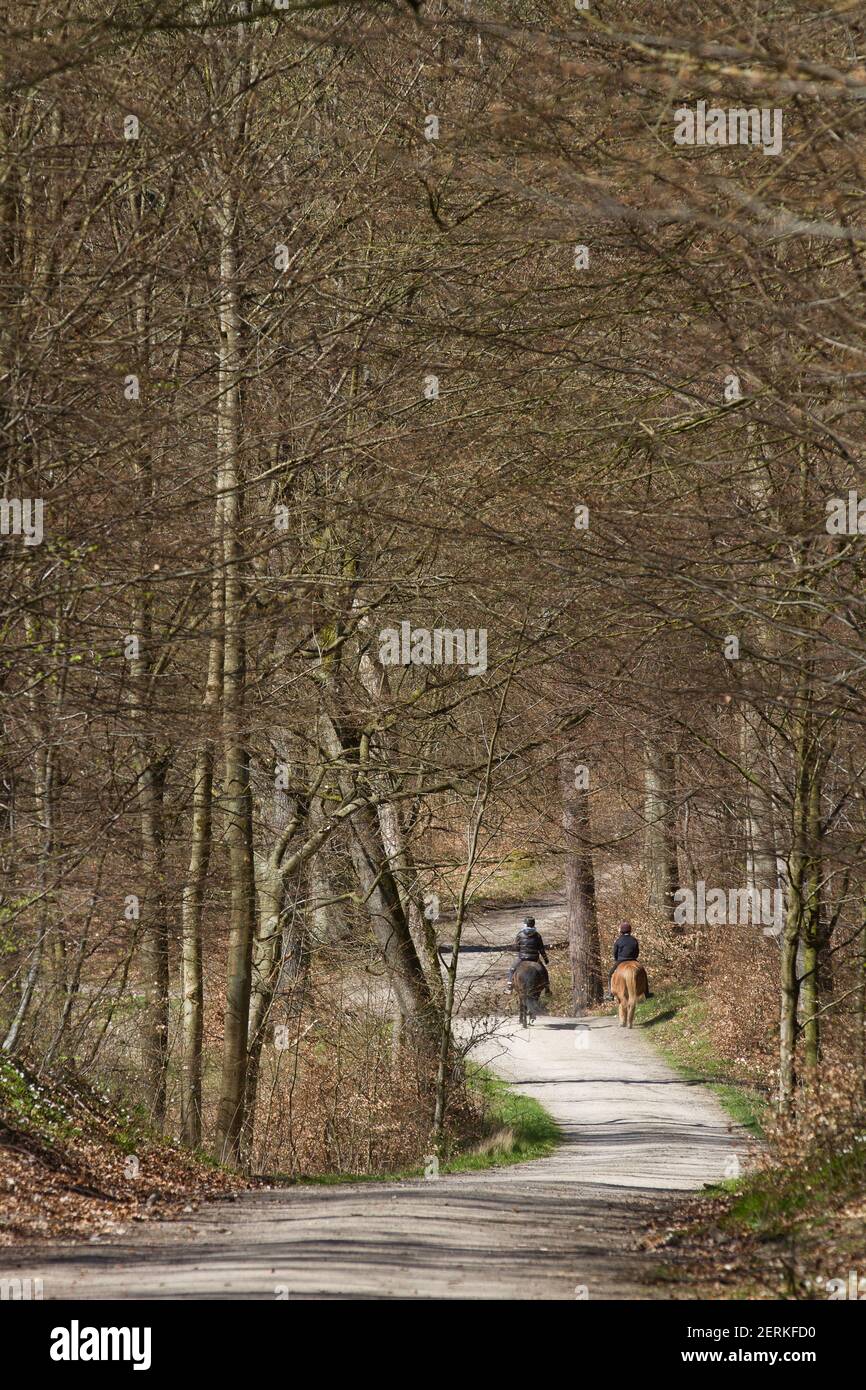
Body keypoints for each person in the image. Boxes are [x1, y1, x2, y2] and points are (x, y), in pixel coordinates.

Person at [604, 921, 653, 1000]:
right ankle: (647, 993)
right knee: (643, 972)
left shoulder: (618, 940)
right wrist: (633, 958)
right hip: (633, 960)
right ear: (630, 930)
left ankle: (610, 994)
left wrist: (617, 960)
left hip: (620, 961)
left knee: (610, 974)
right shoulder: (634, 940)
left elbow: (615, 953)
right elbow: (637, 952)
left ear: (621, 931)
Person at [507, 915, 551, 994]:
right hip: (534, 958)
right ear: (533, 924)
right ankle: (547, 988)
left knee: (512, 969)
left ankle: (509, 988)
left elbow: (516, 947)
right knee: (544, 971)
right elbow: (541, 949)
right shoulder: (537, 935)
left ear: (525, 924)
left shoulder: (520, 934)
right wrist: (545, 959)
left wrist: (519, 950)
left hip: (522, 958)